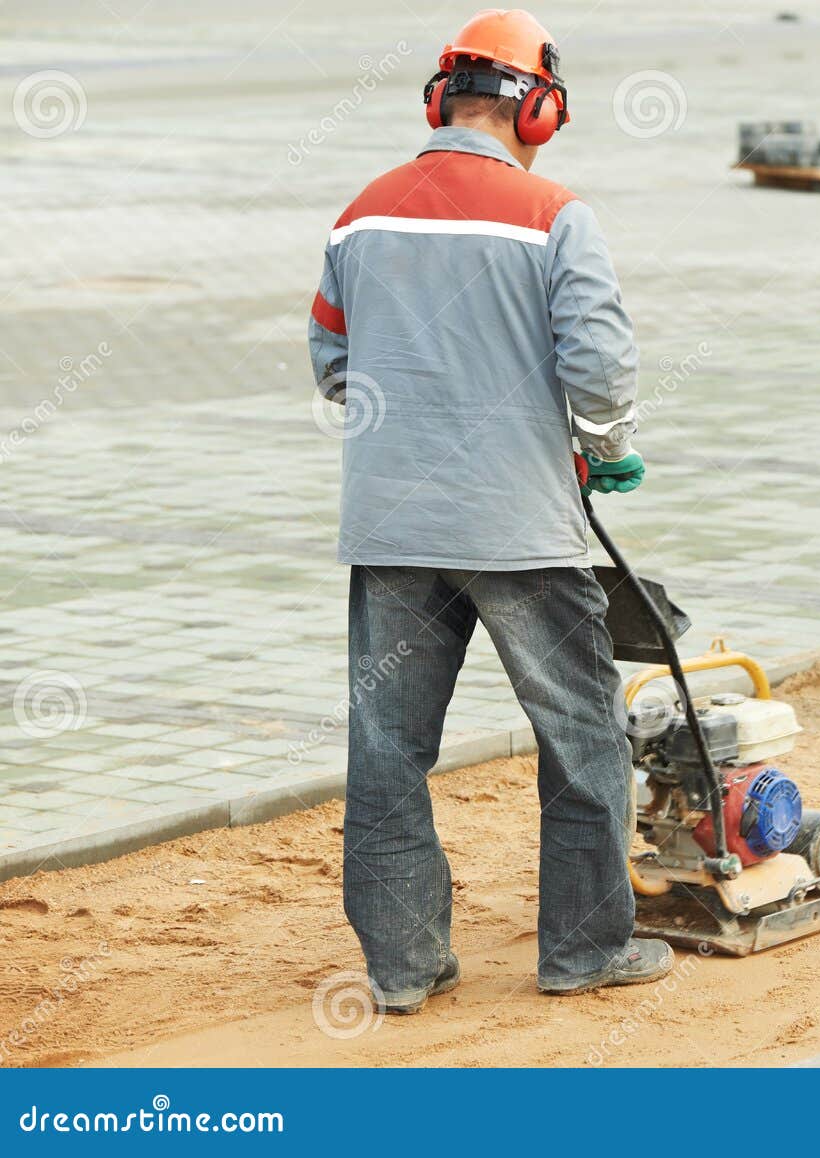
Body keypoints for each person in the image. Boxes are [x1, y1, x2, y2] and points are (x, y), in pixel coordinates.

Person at [307, 7, 671, 1013]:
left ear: (441, 100)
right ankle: (584, 952)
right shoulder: (557, 214)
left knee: (387, 749)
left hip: (390, 532)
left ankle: (403, 967)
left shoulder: (361, 215)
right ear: (538, 108)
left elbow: (335, 365)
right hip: (520, 529)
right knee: (581, 737)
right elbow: (599, 368)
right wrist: (608, 452)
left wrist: (409, 427)